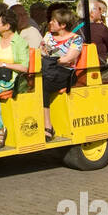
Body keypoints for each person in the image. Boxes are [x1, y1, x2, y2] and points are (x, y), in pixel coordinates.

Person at [0, 6, 29, 148]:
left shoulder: (19, 42)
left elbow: (24, 67)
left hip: (10, 78)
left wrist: (1, 64)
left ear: (7, 26)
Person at [39, 7, 83, 140]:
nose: (50, 23)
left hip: (66, 73)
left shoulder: (76, 39)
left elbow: (69, 59)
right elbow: (40, 51)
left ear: (63, 25)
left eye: (53, 21)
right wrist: (52, 58)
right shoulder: (48, 35)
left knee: (42, 85)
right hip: (48, 68)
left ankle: (48, 126)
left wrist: (50, 57)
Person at [74, 2, 108, 69]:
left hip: (77, 69)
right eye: (99, 9)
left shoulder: (73, 27)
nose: (101, 11)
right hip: (99, 70)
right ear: (91, 13)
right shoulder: (100, 28)